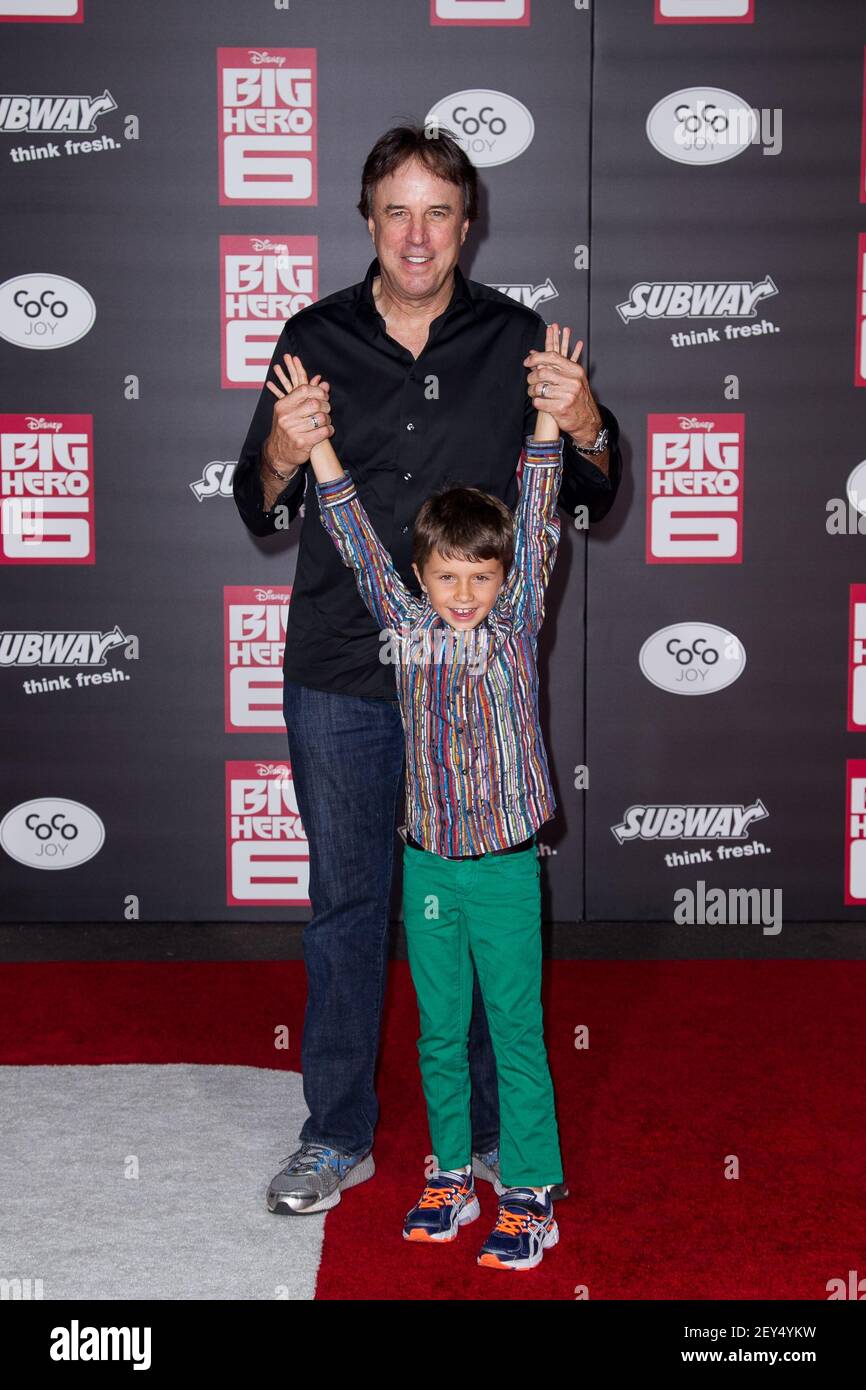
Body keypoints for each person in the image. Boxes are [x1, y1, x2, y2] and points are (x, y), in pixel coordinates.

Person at [232, 123, 622, 1217]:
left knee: (485, 914)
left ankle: (496, 1138)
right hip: (344, 675)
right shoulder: (312, 335)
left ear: (466, 224)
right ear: (366, 221)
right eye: (395, 210)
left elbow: (587, 494)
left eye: (437, 211)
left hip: (466, 693)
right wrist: (279, 444)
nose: (415, 233)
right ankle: (335, 1133)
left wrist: (584, 421)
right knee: (348, 905)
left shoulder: (512, 341)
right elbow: (259, 501)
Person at [275, 321, 573, 1270]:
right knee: (439, 1031)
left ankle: (527, 1190)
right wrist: (318, 442)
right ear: (423, 577)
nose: (463, 594)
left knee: (515, 1030)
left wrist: (550, 420)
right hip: (428, 860)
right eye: (447, 576)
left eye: (481, 577)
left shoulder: (518, 619)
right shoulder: (402, 626)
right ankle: (449, 1173)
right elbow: (357, 537)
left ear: (505, 579)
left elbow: (534, 507)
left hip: (505, 864)